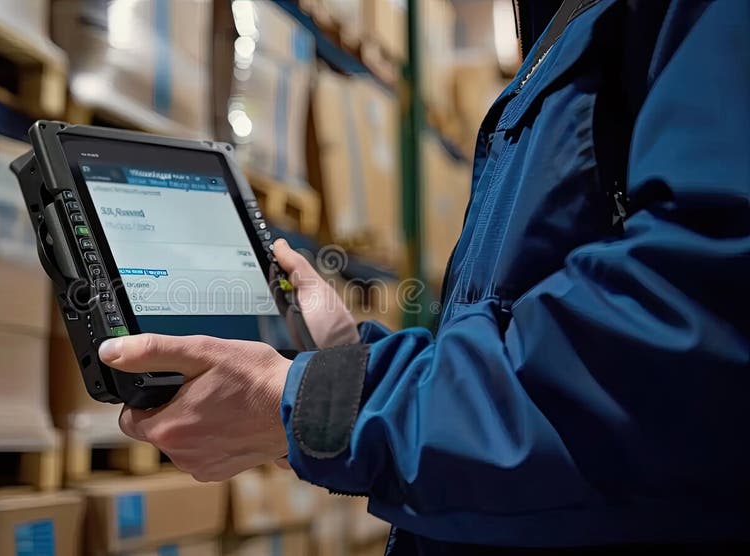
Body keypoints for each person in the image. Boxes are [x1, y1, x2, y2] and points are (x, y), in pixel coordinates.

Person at [97, 0, 750, 553]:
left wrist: (314, 403)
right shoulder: (571, 26)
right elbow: (529, 332)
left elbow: (679, 343)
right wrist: (347, 360)